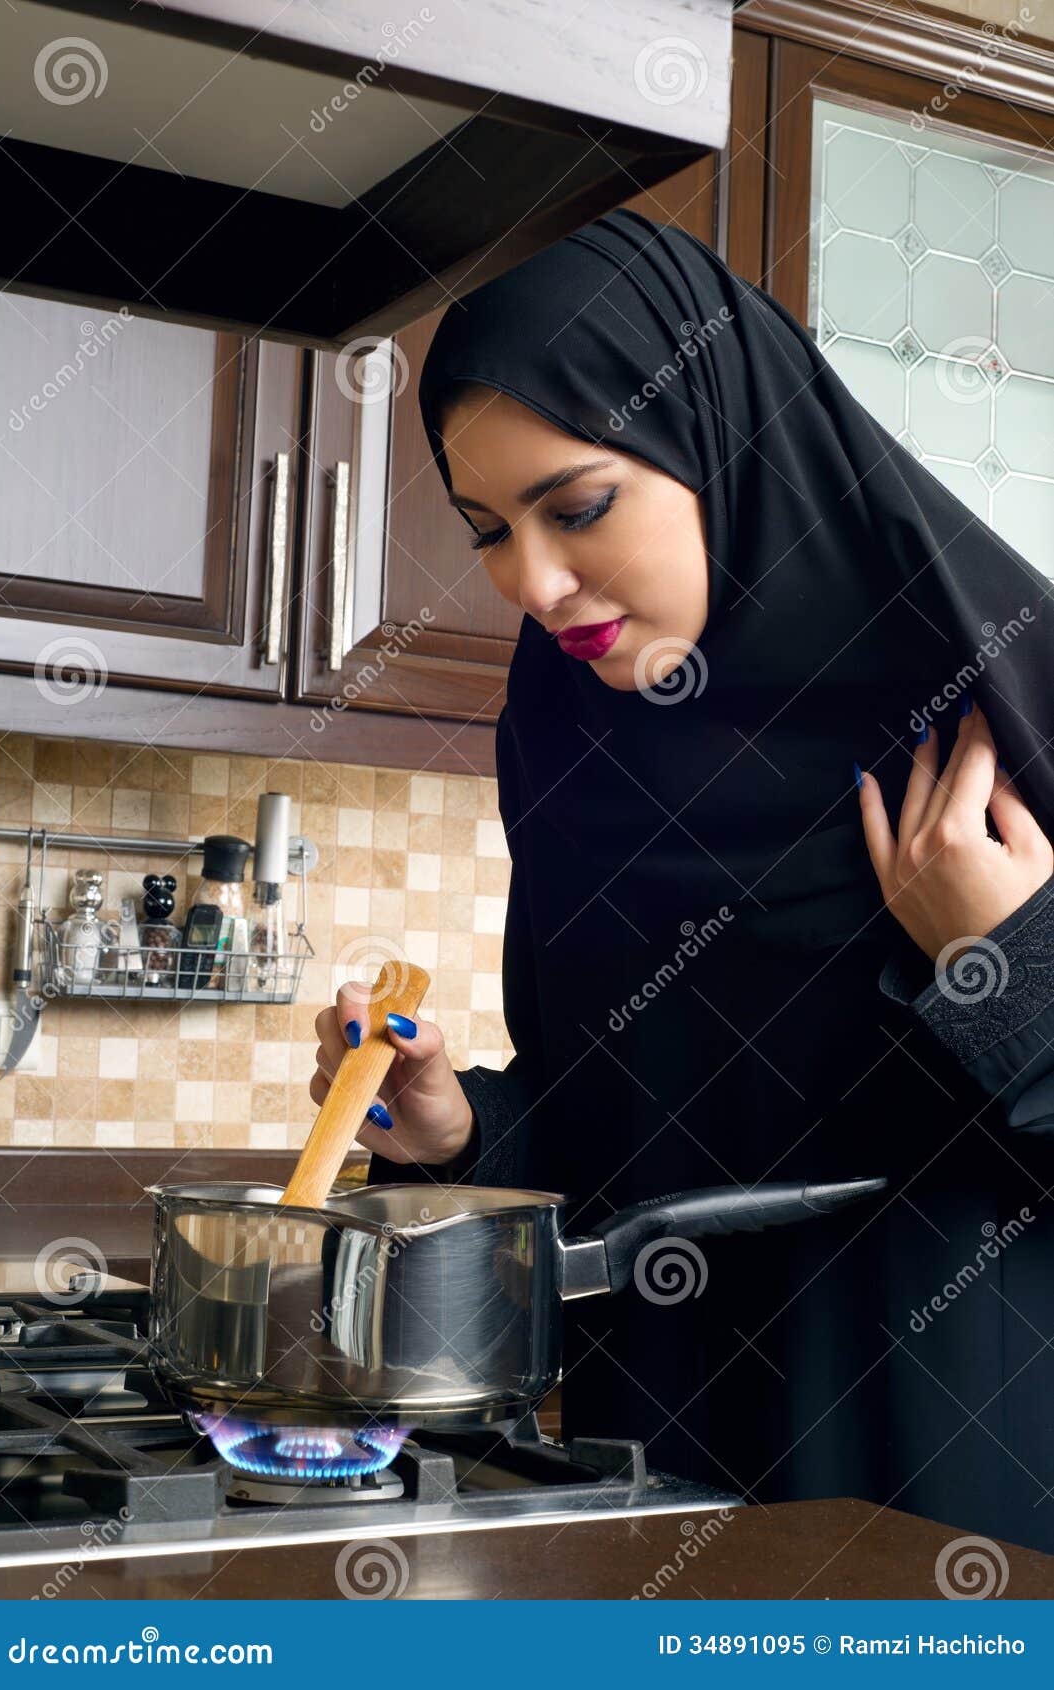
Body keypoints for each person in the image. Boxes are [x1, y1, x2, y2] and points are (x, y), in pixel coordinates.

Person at [311, 209, 1054, 1555]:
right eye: (487, 528)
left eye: (577, 504)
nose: (530, 582)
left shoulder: (1000, 695)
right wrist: (460, 1131)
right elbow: (630, 1127)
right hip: (653, 1474)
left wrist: (1011, 966)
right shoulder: (571, 740)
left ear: (725, 441)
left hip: (958, 1494)